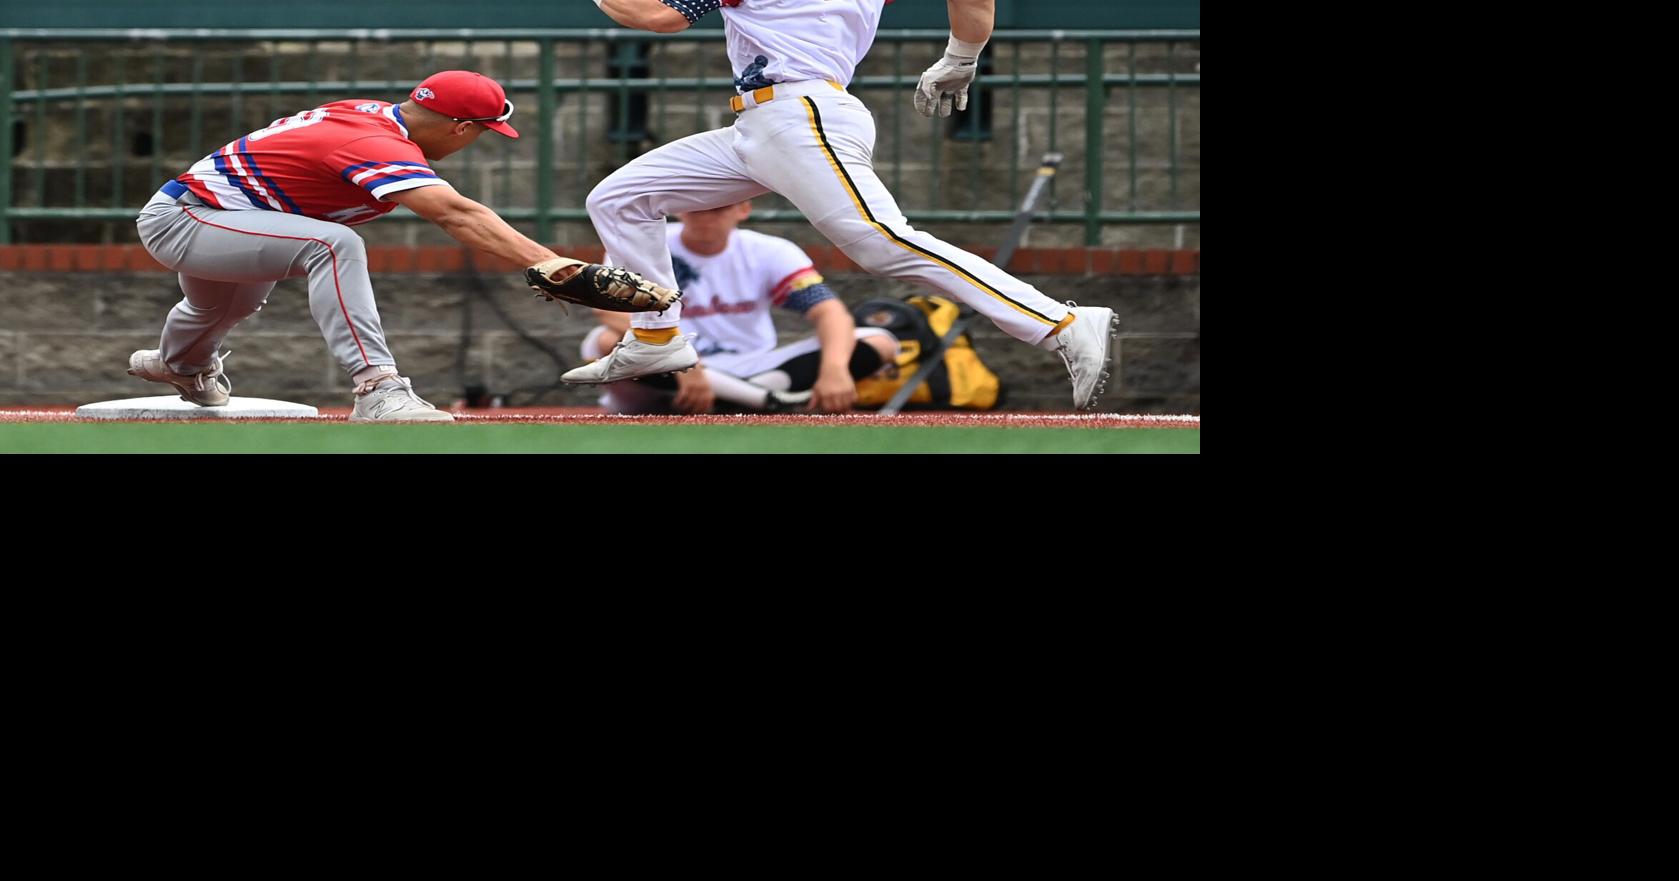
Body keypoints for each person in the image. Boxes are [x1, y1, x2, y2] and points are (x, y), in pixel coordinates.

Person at [568, 0, 1117, 411]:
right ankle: (657, 336)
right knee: (620, 198)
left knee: (885, 244)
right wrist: (962, 55)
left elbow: (654, 15)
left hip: (799, 114)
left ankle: (1061, 322)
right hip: (769, 121)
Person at [129, 70, 668, 421]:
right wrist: (553, 263)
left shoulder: (372, 115)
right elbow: (456, 214)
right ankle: (377, 388)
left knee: (225, 302)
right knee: (333, 245)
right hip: (189, 217)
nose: (478, 140)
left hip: (225, 215)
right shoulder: (373, 141)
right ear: (460, 128)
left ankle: (176, 364)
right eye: (482, 131)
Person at [581, 200, 897, 413]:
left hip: (755, 365)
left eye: (718, 209)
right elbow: (610, 311)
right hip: (669, 374)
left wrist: (834, 369)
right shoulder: (645, 247)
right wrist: (685, 363)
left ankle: (740, 397)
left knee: (878, 342)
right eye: (697, 207)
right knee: (605, 342)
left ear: (743, 209)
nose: (706, 216)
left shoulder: (770, 251)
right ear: (678, 208)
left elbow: (828, 311)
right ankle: (761, 401)